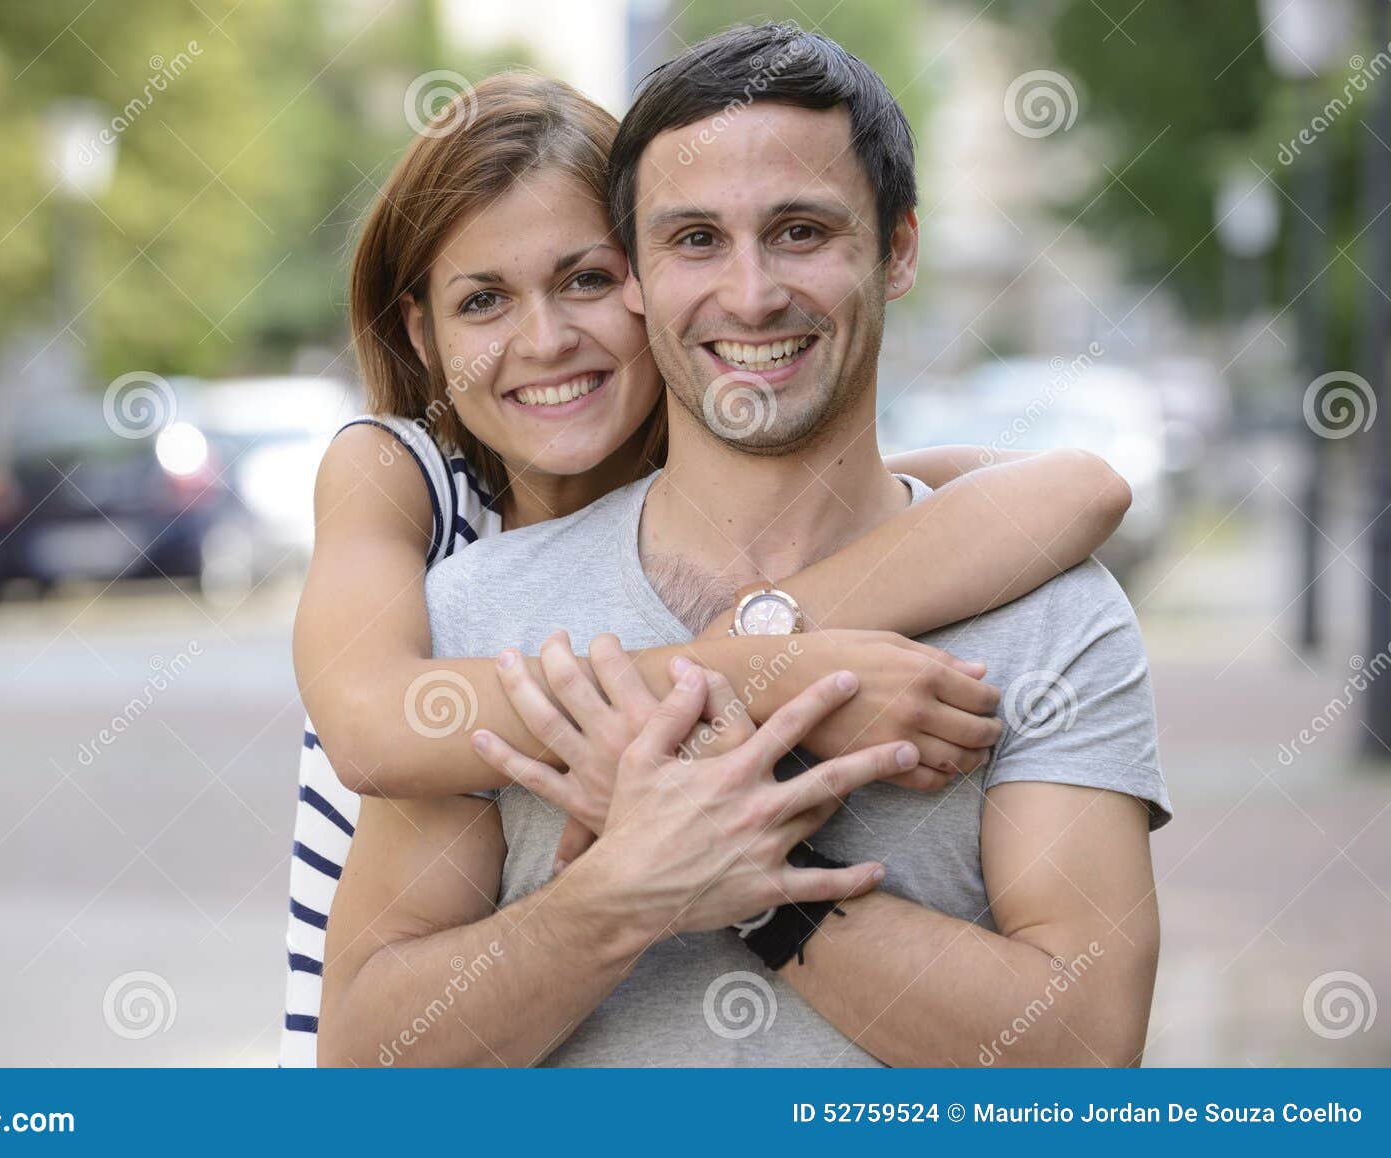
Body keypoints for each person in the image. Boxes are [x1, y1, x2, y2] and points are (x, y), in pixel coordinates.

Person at [283, 50, 1150, 1068]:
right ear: (650, 276)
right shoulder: (447, 570)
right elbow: (367, 1053)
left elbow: (1087, 1059)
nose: (750, 293)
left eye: (801, 231)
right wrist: (735, 696)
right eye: (696, 239)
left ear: (898, 250)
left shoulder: (1038, 599)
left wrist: (742, 868)